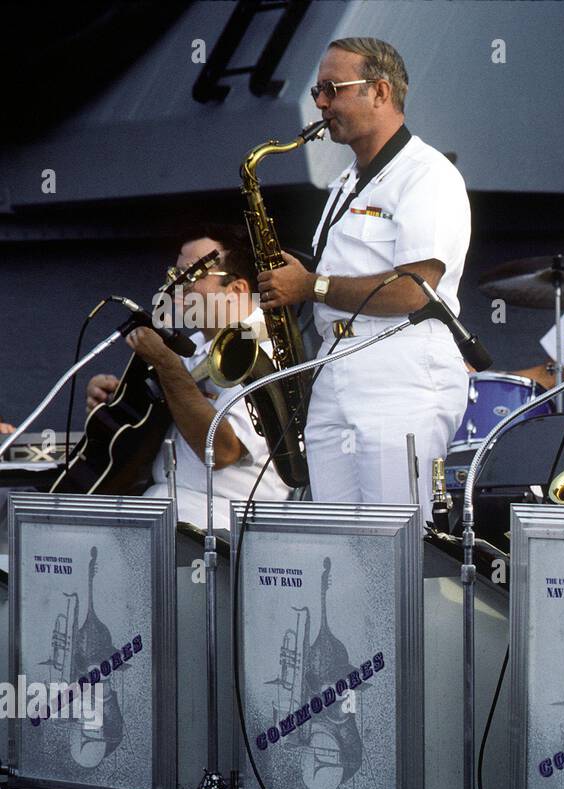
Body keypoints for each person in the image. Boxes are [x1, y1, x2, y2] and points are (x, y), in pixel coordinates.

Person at [257, 36, 469, 523]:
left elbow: (416, 289)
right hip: (336, 373)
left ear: (380, 91)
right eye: (317, 93)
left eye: (332, 88)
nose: (322, 103)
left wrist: (311, 286)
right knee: (339, 547)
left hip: (401, 379)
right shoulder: (346, 183)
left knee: (395, 545)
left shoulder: (428, 175)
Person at [84, 227, 290, 528]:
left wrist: (167, 366)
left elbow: (223, 451)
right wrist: (113, 406)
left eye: (191, 275)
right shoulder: (192, 350)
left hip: (224, 521)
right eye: (174, 274)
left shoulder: (266, 353)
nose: (176, 286)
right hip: (167, 507)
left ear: (236, 290)